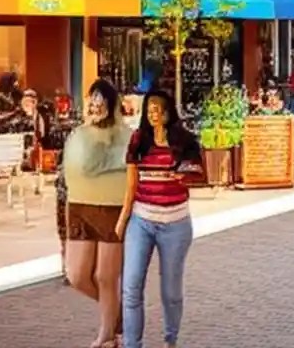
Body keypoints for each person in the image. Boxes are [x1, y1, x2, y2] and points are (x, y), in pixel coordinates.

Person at [119, 90, 203, 348]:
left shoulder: (185, 140)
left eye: (159, 109)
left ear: (169, 112)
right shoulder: (138, 139)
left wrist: (185, 175)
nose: (154, 114)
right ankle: (133, 344)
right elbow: (131, 183)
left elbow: (199, 174)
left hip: (175, 223)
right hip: (141, 221)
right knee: (131, 287)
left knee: (170, 291)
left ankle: (171, 340)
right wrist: (123, 218)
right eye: (150, 109)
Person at [64, 79, 131, 348]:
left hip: (112, 207)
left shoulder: (125, 136)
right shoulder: (79, 135)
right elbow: (74, 169)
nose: (96, 105)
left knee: (105, 276)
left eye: (101, 100)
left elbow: (124, 167)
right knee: (78, 276)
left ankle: (106, 333)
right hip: (80, 205)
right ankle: (119, 318)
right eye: (93, 99)